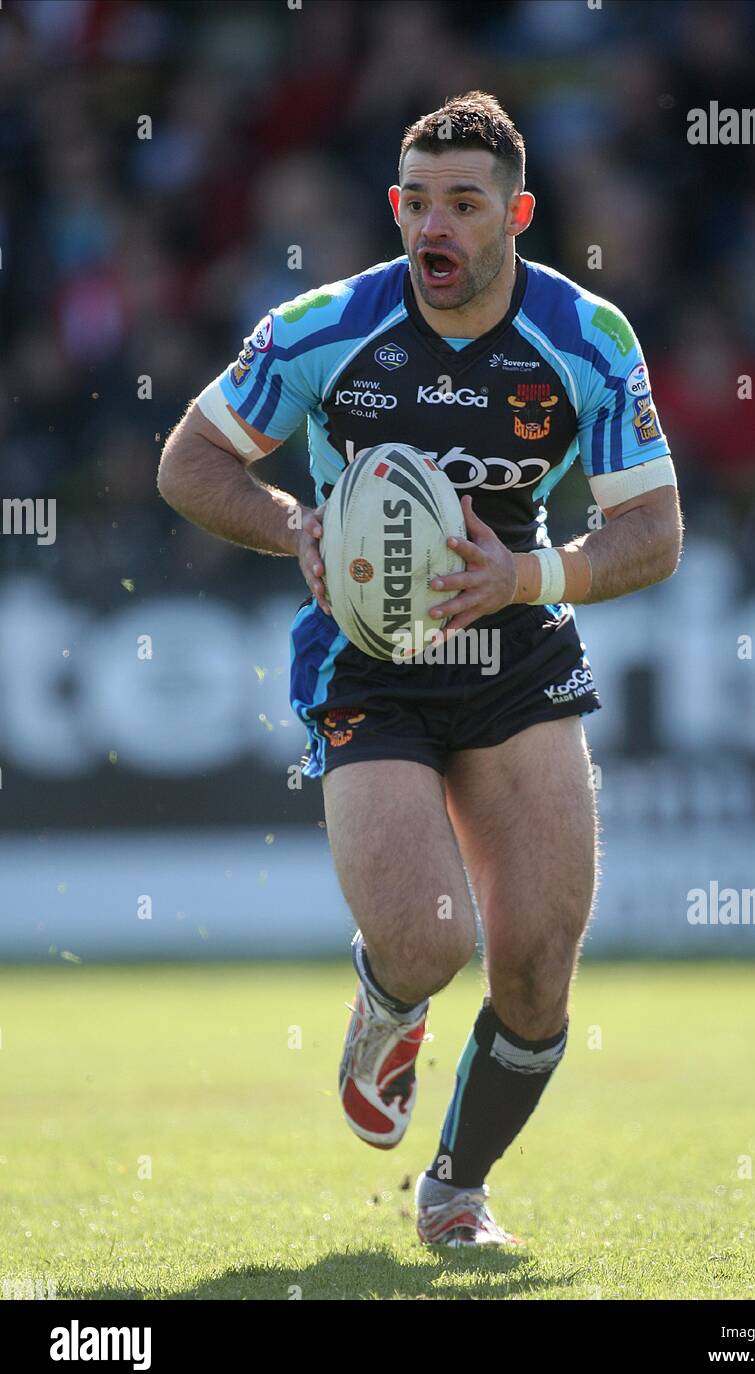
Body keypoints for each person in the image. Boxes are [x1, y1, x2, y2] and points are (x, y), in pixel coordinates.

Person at [158, 92, 682, 1247]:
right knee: (429, 939)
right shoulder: (321, 326)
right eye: (415, 202)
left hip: (516, 653)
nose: (432, 224)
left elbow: (652, 533)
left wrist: (527, 576)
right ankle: (388, 998)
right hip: (369, 662)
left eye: (462, 203)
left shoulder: (586, 335)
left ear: (515, 215)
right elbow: (190, 462)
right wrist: (290, 519)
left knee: (536, 968)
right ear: (393, 209)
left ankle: (454, 1190)